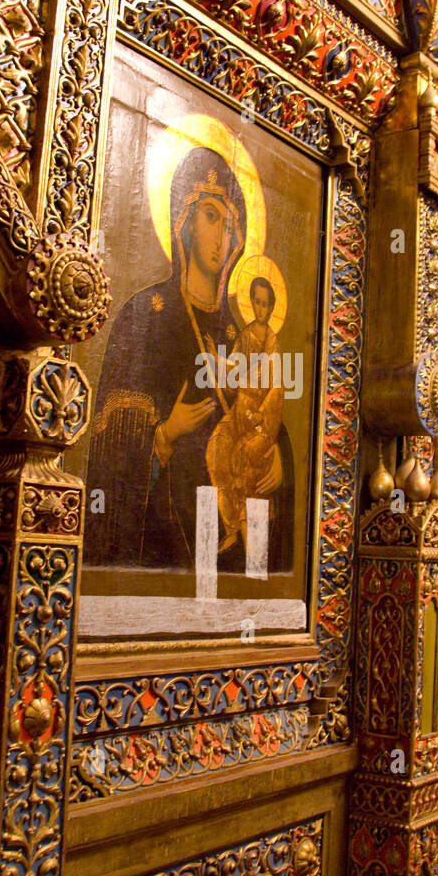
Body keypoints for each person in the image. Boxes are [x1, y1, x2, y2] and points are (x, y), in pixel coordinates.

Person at [84, 146, 293, 574]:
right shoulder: (146, 313)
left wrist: (277, 457)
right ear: (183, 219)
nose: (222, 238)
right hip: (168, 536)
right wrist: (163, 435)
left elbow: (261, 414)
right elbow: (108, 447)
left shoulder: (239, 333)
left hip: (229, 530)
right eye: (212, 216)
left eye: (231, 226)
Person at [206, 276, 284, 555]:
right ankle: (230, 527)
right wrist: (217, 363)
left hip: (261, 420)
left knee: (241, 457)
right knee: (216, 448)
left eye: (266, 304)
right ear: (251, 303)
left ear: (272, 307)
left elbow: (276, 385)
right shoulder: (245, 334)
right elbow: (232, 376)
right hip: (240, 410)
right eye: (257, 302)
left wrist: (263, 412)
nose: (261, 308)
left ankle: (251, 540)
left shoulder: (272, 341)